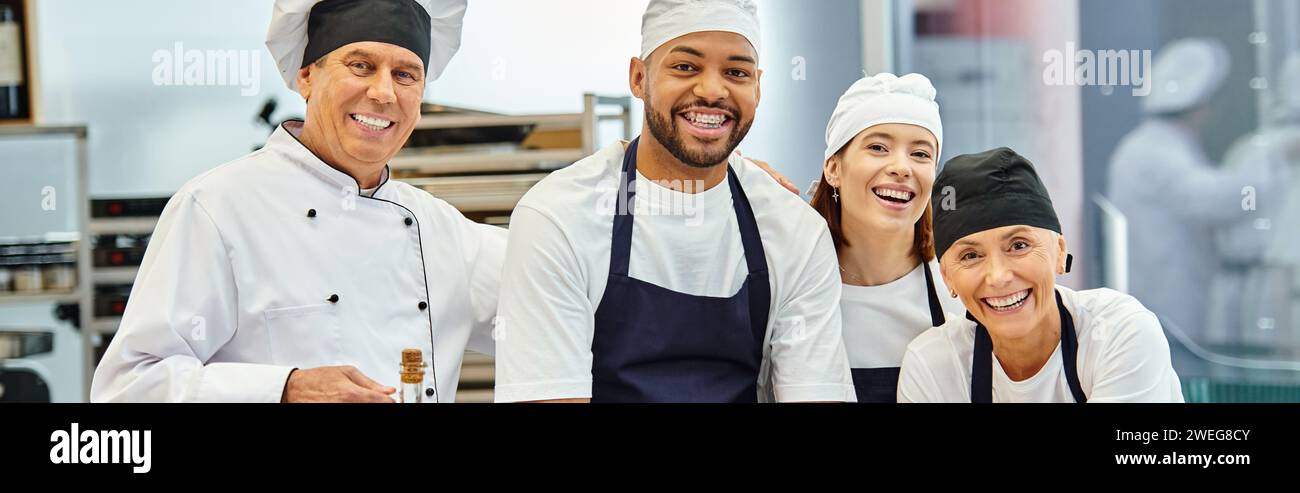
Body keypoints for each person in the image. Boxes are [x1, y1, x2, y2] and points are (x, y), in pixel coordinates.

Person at [91, 0, 506, 403]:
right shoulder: (217, 208)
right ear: (307, 76)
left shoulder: (444, 231)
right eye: (361, 65)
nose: (383, 93)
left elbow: (557, 300)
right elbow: (128, 388)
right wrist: (285, 390)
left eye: (405, 74)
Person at [493, 0, 855, 403]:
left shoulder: (794, 232)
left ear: (758, 86)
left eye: (736, 72)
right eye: (686, 67)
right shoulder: (558, 217)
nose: (713, 91)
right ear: (638, 77)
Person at [899, 148, 1184, 403]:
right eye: (970, 256)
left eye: (1019, 246)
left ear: (1060, 252)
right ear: (947, 277)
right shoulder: (934, 366)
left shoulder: (1119, 332)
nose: (998, 276)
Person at [1107, 38, 1287, 377]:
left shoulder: (1155, 145)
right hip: (1169, 307)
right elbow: (1217, 199)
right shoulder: (1156, 151)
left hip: (1170, 307)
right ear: (1202, 106)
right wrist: (1273, 160)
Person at [810, 73, 964, 402]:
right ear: (834, 168)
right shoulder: (793, 292)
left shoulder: (958, 294)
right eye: (878, 148)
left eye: (920, 154)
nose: (901, 167)